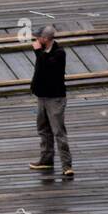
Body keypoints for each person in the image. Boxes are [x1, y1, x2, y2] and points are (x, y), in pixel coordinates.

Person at [29, 25, 74, 178]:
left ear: (45, 39)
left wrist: (37, 51)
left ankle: (67, 165)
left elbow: (47, 66)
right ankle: (46, 160)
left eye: (38, 37)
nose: (35, 40)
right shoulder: (43, 52)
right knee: (43, 129)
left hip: (55, 98)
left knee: (58, 132)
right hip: (42, 96)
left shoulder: (59, 53)